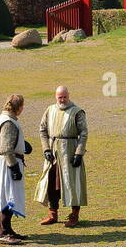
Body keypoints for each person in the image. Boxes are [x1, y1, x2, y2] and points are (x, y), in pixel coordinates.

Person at [36, 86, 88, 227]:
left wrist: (79, 153)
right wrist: (46, 149)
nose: (62, 100)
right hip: (53, 152)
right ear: (56, 97)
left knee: (72, 183)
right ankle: (52, 214)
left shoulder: (77, 111)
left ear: (68, 96)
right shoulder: (50, 110)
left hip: (70, 152)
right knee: (52, 183)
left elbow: (83, 133)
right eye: (60, 97)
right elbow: (42, 130)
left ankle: (74, 215)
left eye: (65, 97)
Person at [0, 93, 33, 246]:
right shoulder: (8, 122)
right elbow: (6, 147)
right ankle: (4, 233)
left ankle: (8, 230)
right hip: (6, 164)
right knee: (7, 197)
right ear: (19, 107)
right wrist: (13, 167)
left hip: (3, 162)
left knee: (7, 196)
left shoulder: (4, 119)